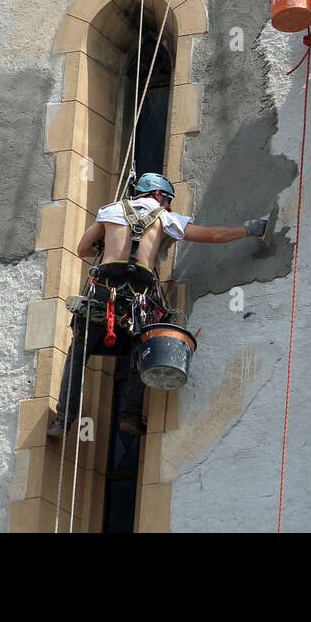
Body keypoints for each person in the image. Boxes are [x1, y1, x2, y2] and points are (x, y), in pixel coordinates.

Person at [46, 173, 267, 438]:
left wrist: (109, 247)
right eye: (168, 200)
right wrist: (248, 230)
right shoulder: (165, 218)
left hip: (102, 298)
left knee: (78, 355)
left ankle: (63, 420)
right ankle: (130, 414)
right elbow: (212, 235)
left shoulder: (110, 211)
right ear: (159, 196)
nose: (169, 206)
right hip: (138, 301)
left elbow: (83, 249)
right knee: (143, 348)